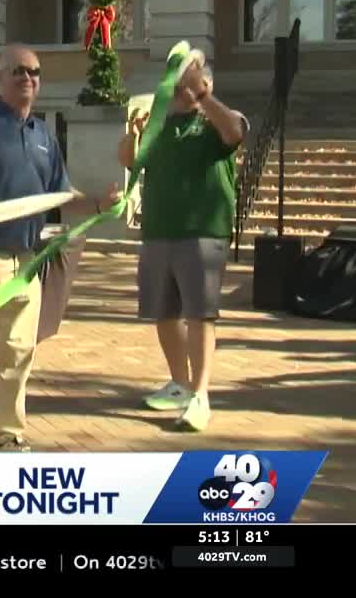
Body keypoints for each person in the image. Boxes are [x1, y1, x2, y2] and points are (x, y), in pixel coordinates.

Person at [0, 44, 120, 452]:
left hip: (26, 263)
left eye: (35, 72)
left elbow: (59, 195)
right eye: (18, 71)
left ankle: (8, 435)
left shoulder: (44, 134)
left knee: (18, 355)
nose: (28, 78)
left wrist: (98, 201)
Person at [118, 57, 247, 432]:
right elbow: (129, 160)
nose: (180, 92)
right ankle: (180, 383)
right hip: (158, 231)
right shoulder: (159, 125)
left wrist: (203, 95)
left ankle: (201, 395)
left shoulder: (215, 121)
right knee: (164, 313)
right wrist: (134, 131)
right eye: (177, 86)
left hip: (203, 232)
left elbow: (235, 132)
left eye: (188, 86)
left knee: (199, 315)